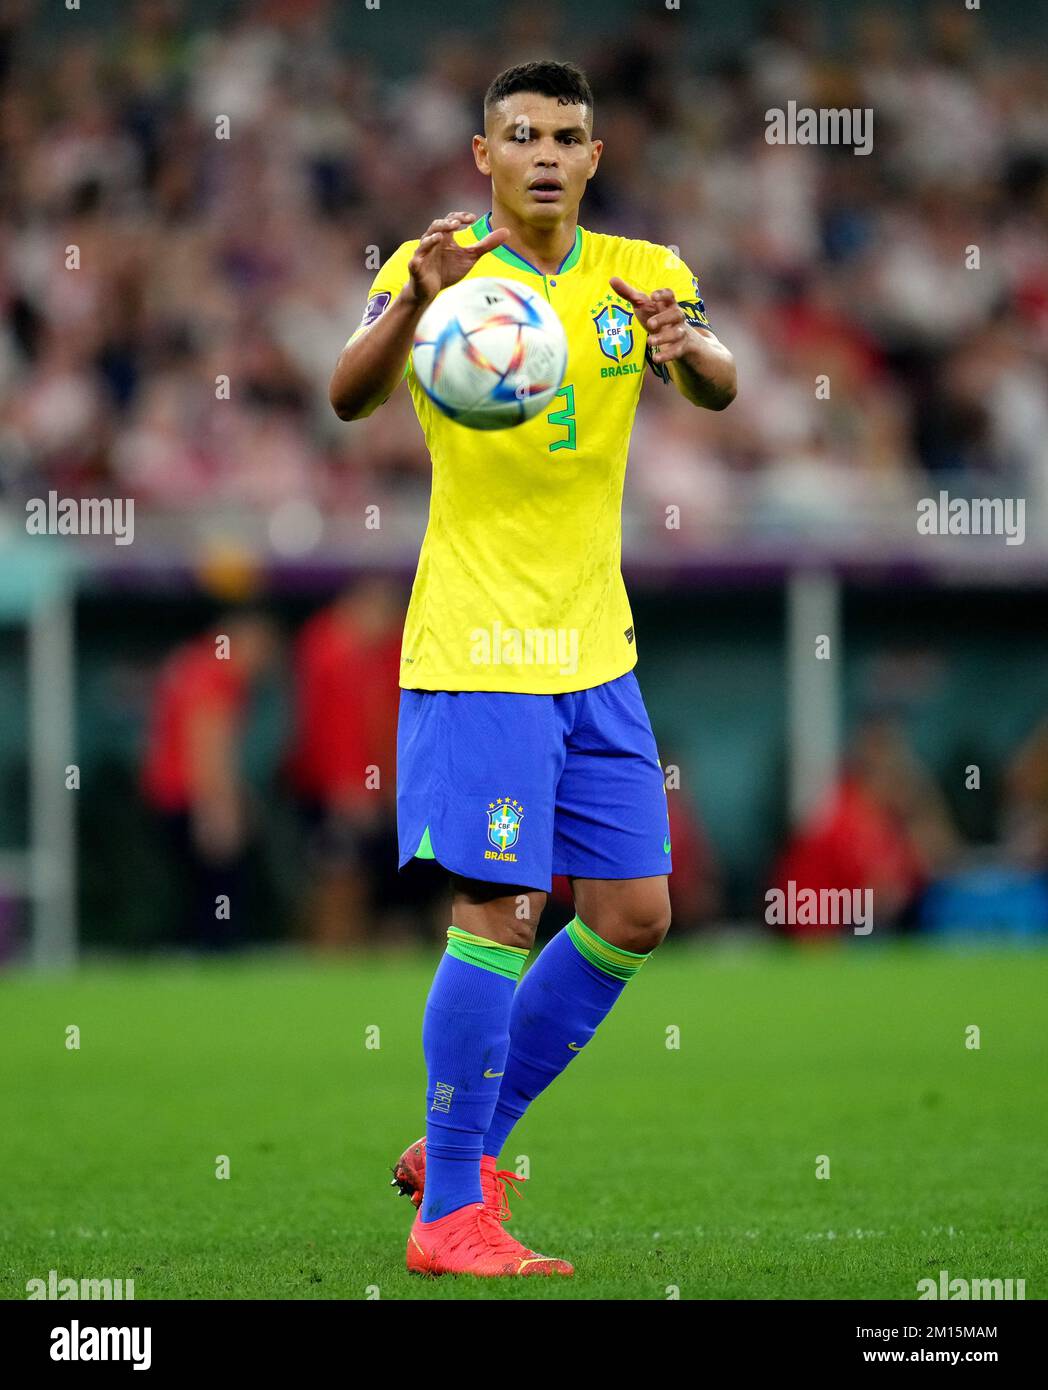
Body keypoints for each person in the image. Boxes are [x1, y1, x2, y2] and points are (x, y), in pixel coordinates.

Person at [329, 60, 736, 1278]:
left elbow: (718, 384)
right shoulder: (436, 267)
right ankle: (450, 1215)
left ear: (594, 157)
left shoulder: (644, 274)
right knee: (501, 910)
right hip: (480, 641)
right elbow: (347, 396)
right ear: (483, 154)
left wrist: (688, 347)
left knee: (632, 914)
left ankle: (462, 1147)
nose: (546, 153)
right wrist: (413, 304)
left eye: (567, 135)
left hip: (594, 647)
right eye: (523, 135)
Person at [140, 609, 278, 950]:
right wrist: (217, 808)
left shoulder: (190, 664)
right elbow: (207, 744)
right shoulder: (214, 674)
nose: (263, 664)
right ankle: (213, 953)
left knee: (194, 885)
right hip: (189, 798)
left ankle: (201, 953)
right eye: (261, 651)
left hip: (172, 795)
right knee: (216, 885)